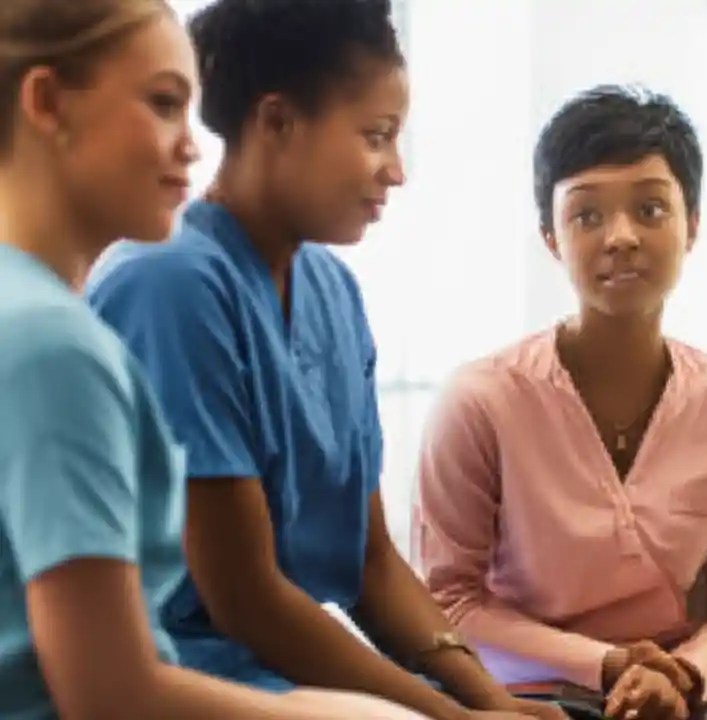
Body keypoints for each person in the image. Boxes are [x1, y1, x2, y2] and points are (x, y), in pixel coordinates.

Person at [84, 1, 561, 719]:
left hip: (285, 675)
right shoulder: (170, 283)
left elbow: (371, 565)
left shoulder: (333, 293)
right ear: (276, 123)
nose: (395, 171)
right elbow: (245, 600)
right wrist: (451, 719)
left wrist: (491, 703)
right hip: (179, 680)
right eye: (376, 136)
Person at [0, 1, 423, 718]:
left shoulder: (36, 316)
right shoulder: (55, 342)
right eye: (163, 104)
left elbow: (371, 560)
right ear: (47, 102)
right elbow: (110, 693)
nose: (193, 145)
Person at [411, 85, 707, 720]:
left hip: (685, 701)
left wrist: (682, 676)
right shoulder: (480, 401)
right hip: (522, 700)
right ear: (551, 237)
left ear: (692, 225)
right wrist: (606, 666)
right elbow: (448, 603)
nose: (621, 237)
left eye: (650, 209)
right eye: (587, 215)